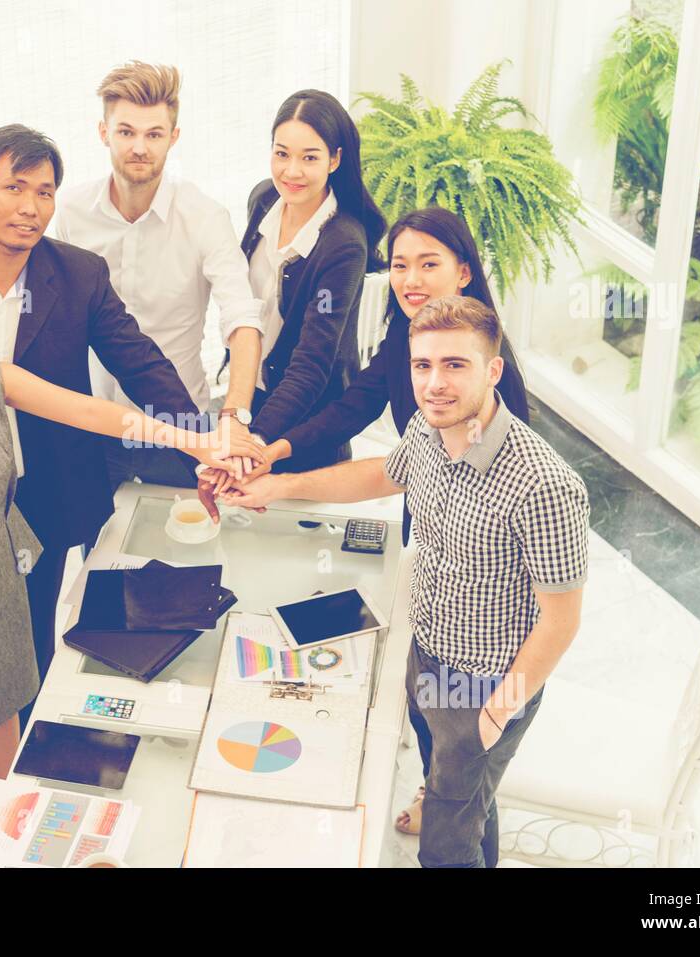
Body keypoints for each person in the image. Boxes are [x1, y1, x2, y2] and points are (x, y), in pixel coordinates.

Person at [0, 272, 260, 821]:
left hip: (6, 578)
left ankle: (10, 812)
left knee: (5, 709)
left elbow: (90, 412)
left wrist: (197, 442)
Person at [0, 124, 201, 784]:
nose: (30, 206)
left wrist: (201, 441)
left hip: (40, 487)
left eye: (44, 192)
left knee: (26, 633)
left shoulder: (77, 274)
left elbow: (134, 363)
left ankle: (22, 767)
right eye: (13, 187)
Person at [217, 296, 589, 868]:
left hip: (485, 686)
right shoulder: (427, 426)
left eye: (455, 365)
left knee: (447, 843)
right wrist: (278, 486)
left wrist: (494, 715)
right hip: (428, 654)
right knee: (455, 791)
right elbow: (383, 473)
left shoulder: (544, 485)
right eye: (423, 366)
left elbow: (562, 621)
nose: (435, 383)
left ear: (494, 371)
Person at [203, 206, 533, 834]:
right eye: (401, 264)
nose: (410, 279)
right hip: (435, 552)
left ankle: (449, 800)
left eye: (429, 264)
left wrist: (498, 705)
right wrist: (274, 455)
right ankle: (440, 785)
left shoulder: (489, 396)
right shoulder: (411, 339)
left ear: (463, 272)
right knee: (429, 714)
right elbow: (361, 415)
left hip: (483, 611)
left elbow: (535, 595)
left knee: (463, 776)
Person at [56, 61, 264, 489]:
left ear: (174, 137)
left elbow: (242, 317)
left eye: (154, 134)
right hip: (99, 422)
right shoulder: (71, 212)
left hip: (182, 424)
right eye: (126, 132)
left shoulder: (205, 217)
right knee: (99, 550)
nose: (139, 147)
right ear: (103, 133)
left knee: (189, 546)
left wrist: (234, 418)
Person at [233, 89, 386, 472]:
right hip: (252, 396)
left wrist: (256, 440)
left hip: (305, 423)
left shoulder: (343, 245)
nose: (291, 171)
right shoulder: (264, 198)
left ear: (335, 159)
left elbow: (312, 362)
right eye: (281, 153)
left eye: (310, 158)